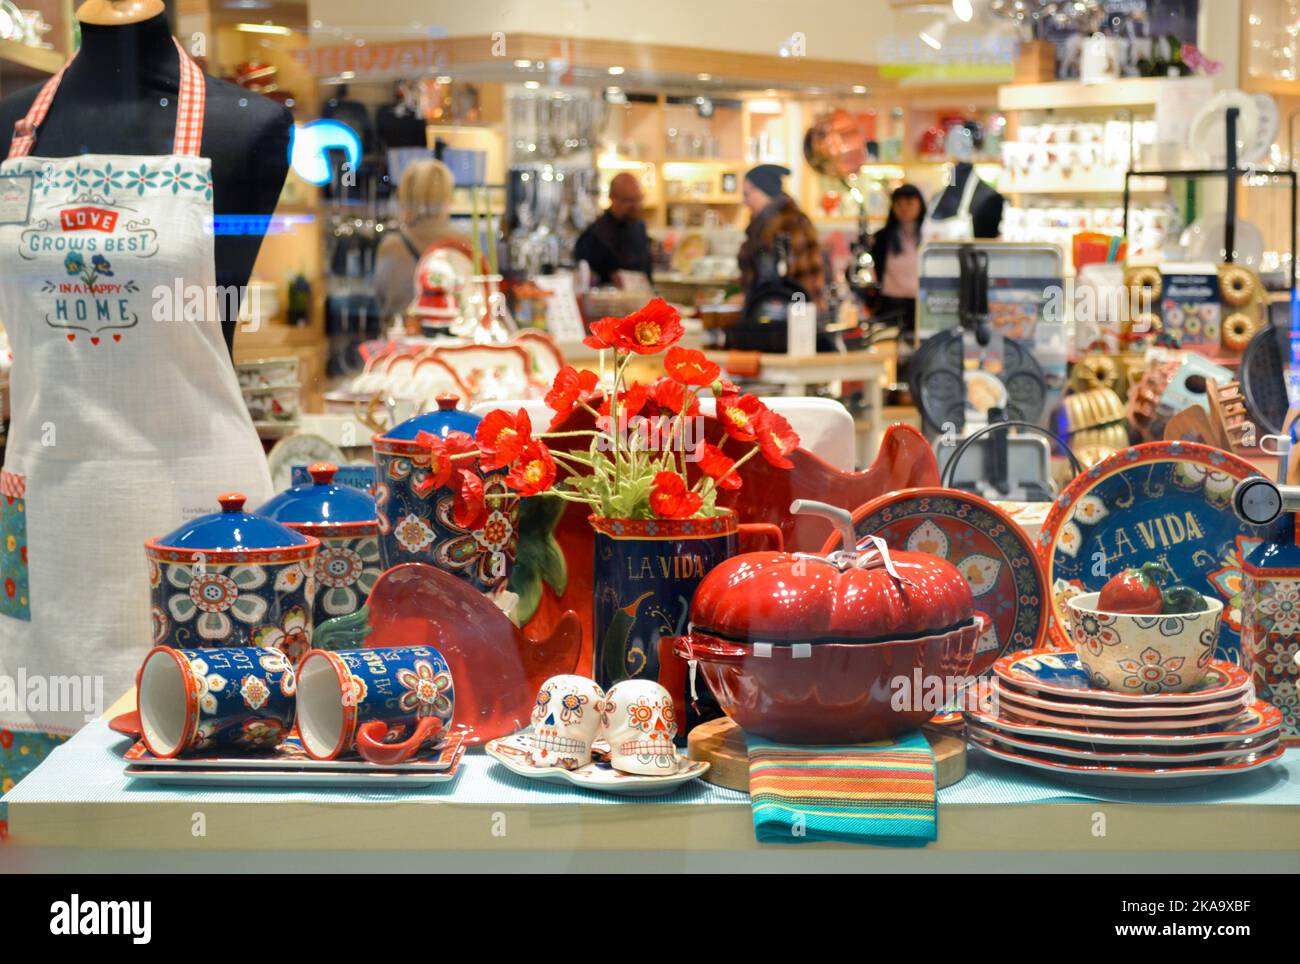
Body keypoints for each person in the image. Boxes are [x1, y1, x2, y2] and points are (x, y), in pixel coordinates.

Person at [373, 158, 469, 323]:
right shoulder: (464, 244)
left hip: (403, 342)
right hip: (454, 342)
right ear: (447, 196)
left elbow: (384, 305)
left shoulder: (392, 246)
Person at [737, 163, 824, 306]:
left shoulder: (787, 223)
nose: (745, 201)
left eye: (747, 194)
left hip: (792, 314)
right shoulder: (765, 223)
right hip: (780, 312)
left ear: (764, 191)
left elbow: (788, 282)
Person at [573, 172, 653, 285]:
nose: (636, 206)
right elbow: (584, 281)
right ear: (612, 197)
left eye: (638, 199)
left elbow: (647, 274)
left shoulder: (640, 227)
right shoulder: (594, 235)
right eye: (629, 200)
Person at [870, 183, 926, 335]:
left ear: (920, 205)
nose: (904, 209)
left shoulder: (929, 235)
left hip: (921, 303)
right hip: (891, 303)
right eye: (899, 204)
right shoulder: (882, 237)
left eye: (909, 203)